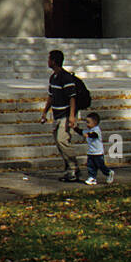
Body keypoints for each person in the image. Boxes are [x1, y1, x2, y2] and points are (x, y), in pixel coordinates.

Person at [40, 49, 81, 183]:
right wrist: (45, 112)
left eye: (49, 59)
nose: (48, 61)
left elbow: (72, 98)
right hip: (56, 115)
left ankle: (74, 167)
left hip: (65, 115)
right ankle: (68, 168)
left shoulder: (66, 77)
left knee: (63, 140)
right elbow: (51, 96)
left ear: (54, 61)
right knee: (59, 142)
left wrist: (72, 117)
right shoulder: (53, 77)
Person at [75, 111, 115, 185]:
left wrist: (88, 135)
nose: (87, 124)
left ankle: (109, 173)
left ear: (95, 122)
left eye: (88, 122)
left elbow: (94, 135)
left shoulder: (96, 130)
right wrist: (74, 127)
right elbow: (81, 131)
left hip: (98, 153)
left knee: (100, 166)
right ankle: (92, 177)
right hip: (91, 152)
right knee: (91, 166)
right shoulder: (88, 130)